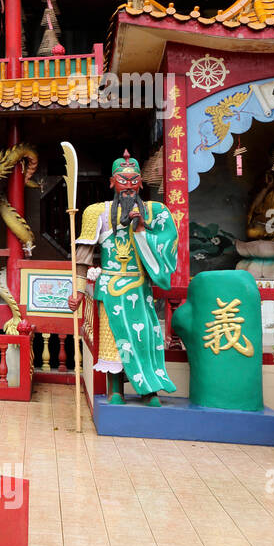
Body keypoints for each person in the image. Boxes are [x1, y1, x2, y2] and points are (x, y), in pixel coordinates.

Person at [68, 151, 178, 405]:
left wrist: (140, 230)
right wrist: (77, 292)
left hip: (139, 289)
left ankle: (149, 391)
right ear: (111, 182)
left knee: (143, 339)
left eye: (133, 180)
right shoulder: (97, 212)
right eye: (122, 180)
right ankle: (115, 390)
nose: (128, 186)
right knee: (113, 341)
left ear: (141, 183)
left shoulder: (154, 212)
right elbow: (83, 258)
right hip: (110, 289)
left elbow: (167, 247)